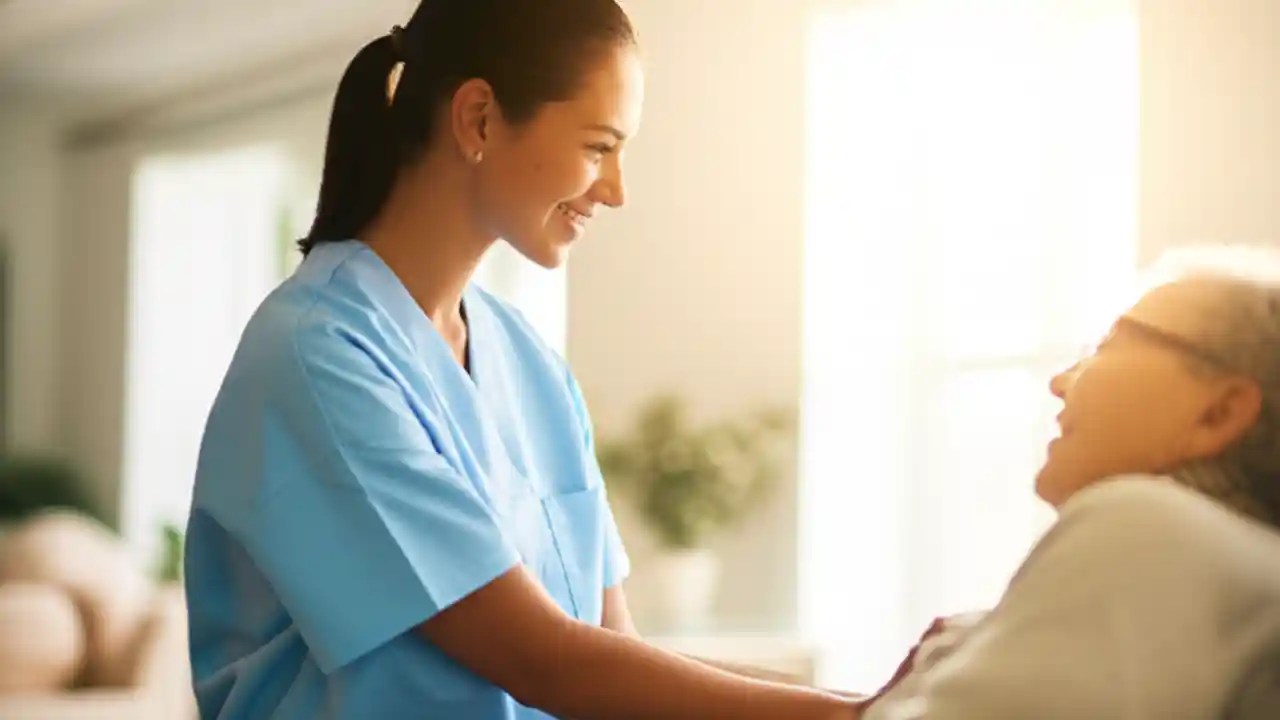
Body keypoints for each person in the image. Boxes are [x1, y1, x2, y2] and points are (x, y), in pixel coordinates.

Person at [183, 1, 860, 719]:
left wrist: (879, 703)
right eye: (599, 147)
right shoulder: (315, 357)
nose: (616, 190)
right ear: (478, 118)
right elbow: (546, 662)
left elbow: (611, 650)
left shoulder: (532, 367)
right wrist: (853, 716)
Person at [861, 246, 1280, 719]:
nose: (1059, 382)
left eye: (1105, 347)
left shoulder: (1149, 527)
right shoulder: (1232, 564)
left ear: (1218, 413)